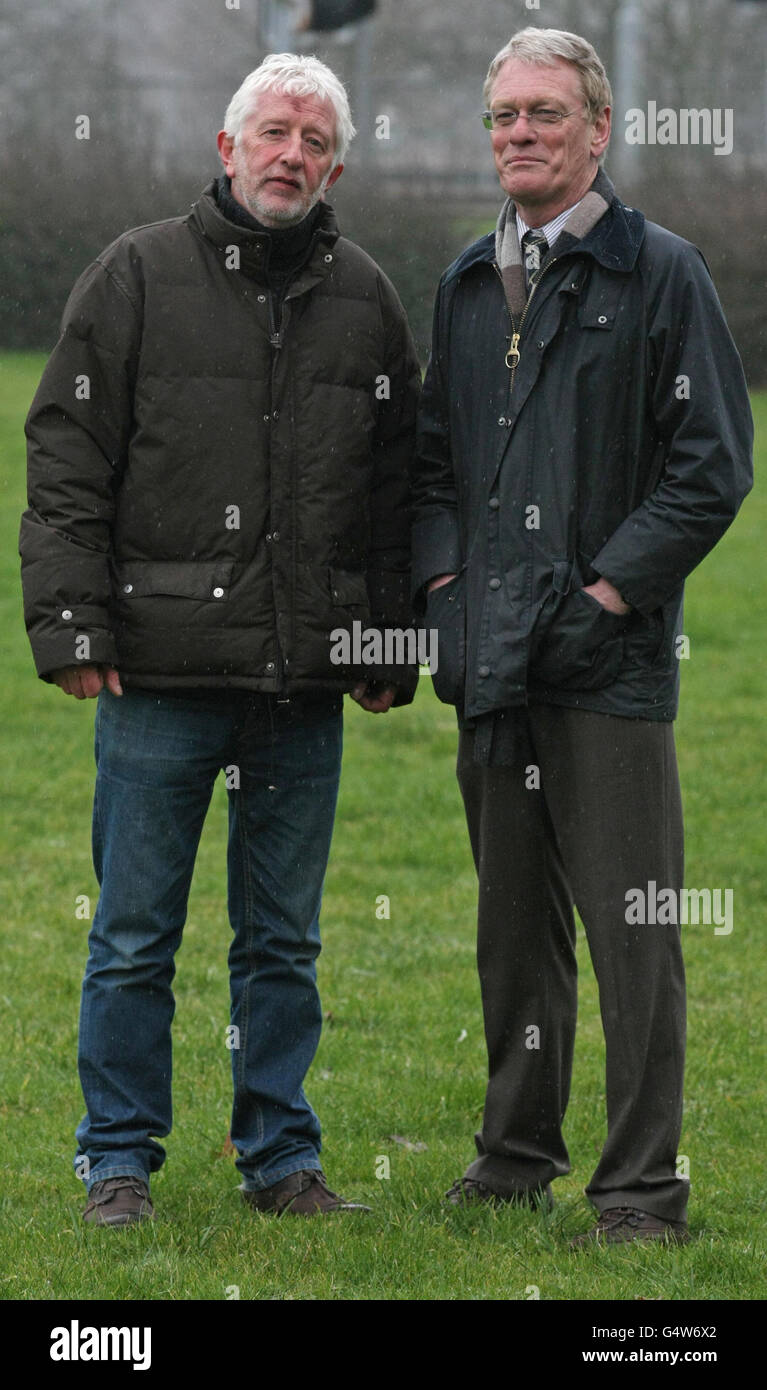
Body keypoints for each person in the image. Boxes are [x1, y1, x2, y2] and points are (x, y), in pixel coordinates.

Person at [20, 53, 420, 1224]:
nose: (290, 152)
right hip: (158, 675)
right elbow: (67, 461)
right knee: (135, 936)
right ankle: (118, 1161)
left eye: (313, 138)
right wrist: (71, 624)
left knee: (281, 944)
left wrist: (388, 643)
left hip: (301, 687)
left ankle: (280, 1158)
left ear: (335, 163)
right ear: (226, 146)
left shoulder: (369, 299)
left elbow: (398, 488)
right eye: (272, 131)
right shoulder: (133, 275)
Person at [411, 27, 752, 1245]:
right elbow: (433, 466)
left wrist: (608, 593)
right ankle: (511, 1156)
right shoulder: (460, 285)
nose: (518, 132)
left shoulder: (660, 271)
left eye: (543, 114)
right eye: (502, 114)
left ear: (595, 129)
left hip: (603, 669)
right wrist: (444, 587)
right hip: (489, 663)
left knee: (636, 934)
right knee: (511, 933)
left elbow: (711, 467)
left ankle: (638, 1191)